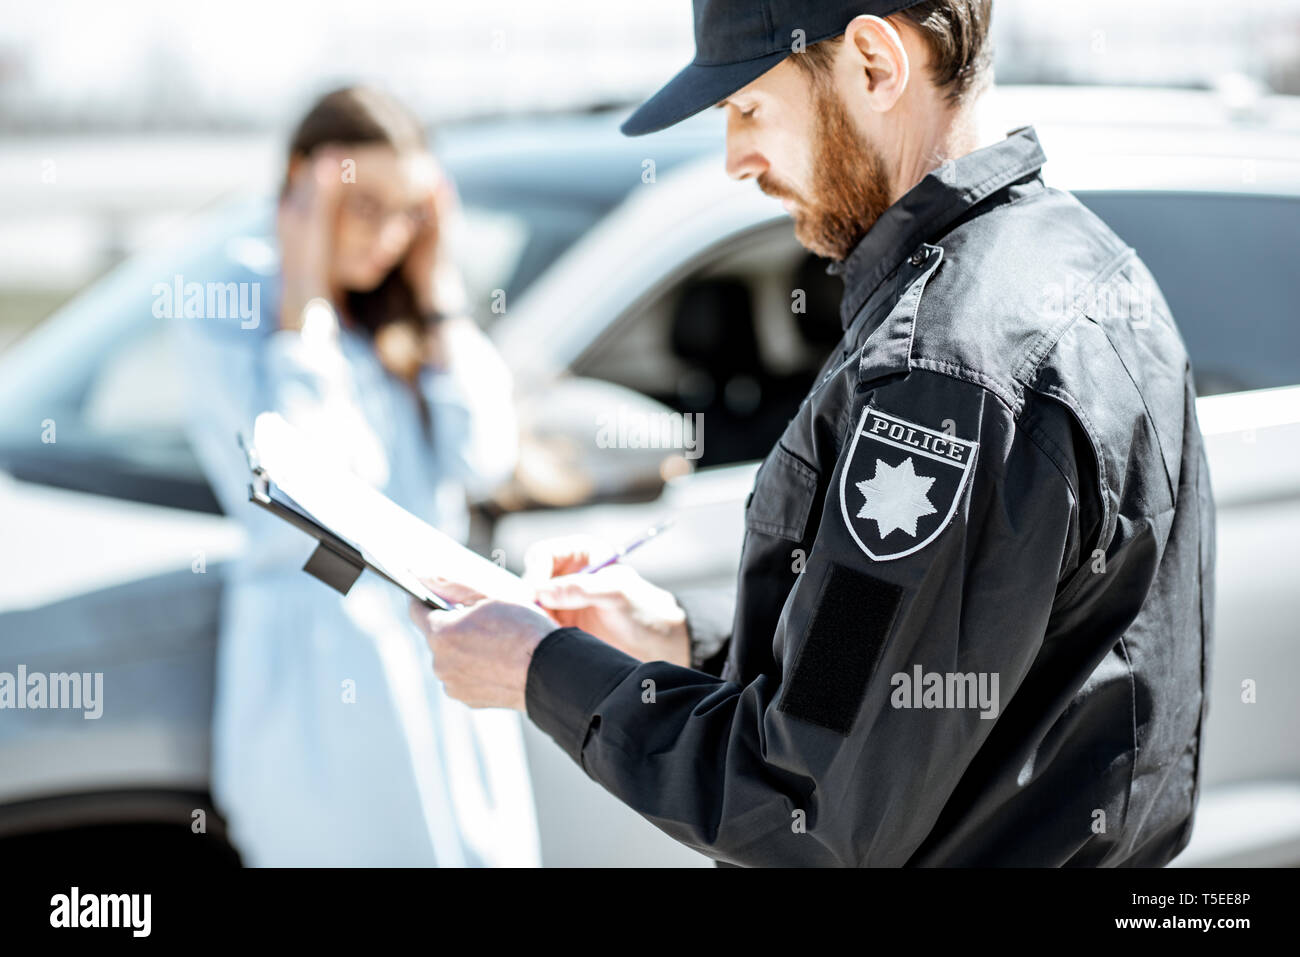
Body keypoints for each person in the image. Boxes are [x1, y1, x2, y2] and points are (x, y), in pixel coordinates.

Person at [409, 0, 1216, 867]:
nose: (735, 160)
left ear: (874, 63)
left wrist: (542, 670)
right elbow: (911, 680)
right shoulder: (1093, 267)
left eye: (749, 108)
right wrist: (679, 637)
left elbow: (806, 807)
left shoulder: (942, 375)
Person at [176, 85, 540, 866]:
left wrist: (439, 290)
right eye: (363, 203)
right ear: (303, 185)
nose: (387, 234)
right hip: (318, 667)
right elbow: (303, 491)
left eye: (408, 209)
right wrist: (302, 292)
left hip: (441, 661)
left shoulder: (398, 306)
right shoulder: (230, 302)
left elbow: (483, 456)